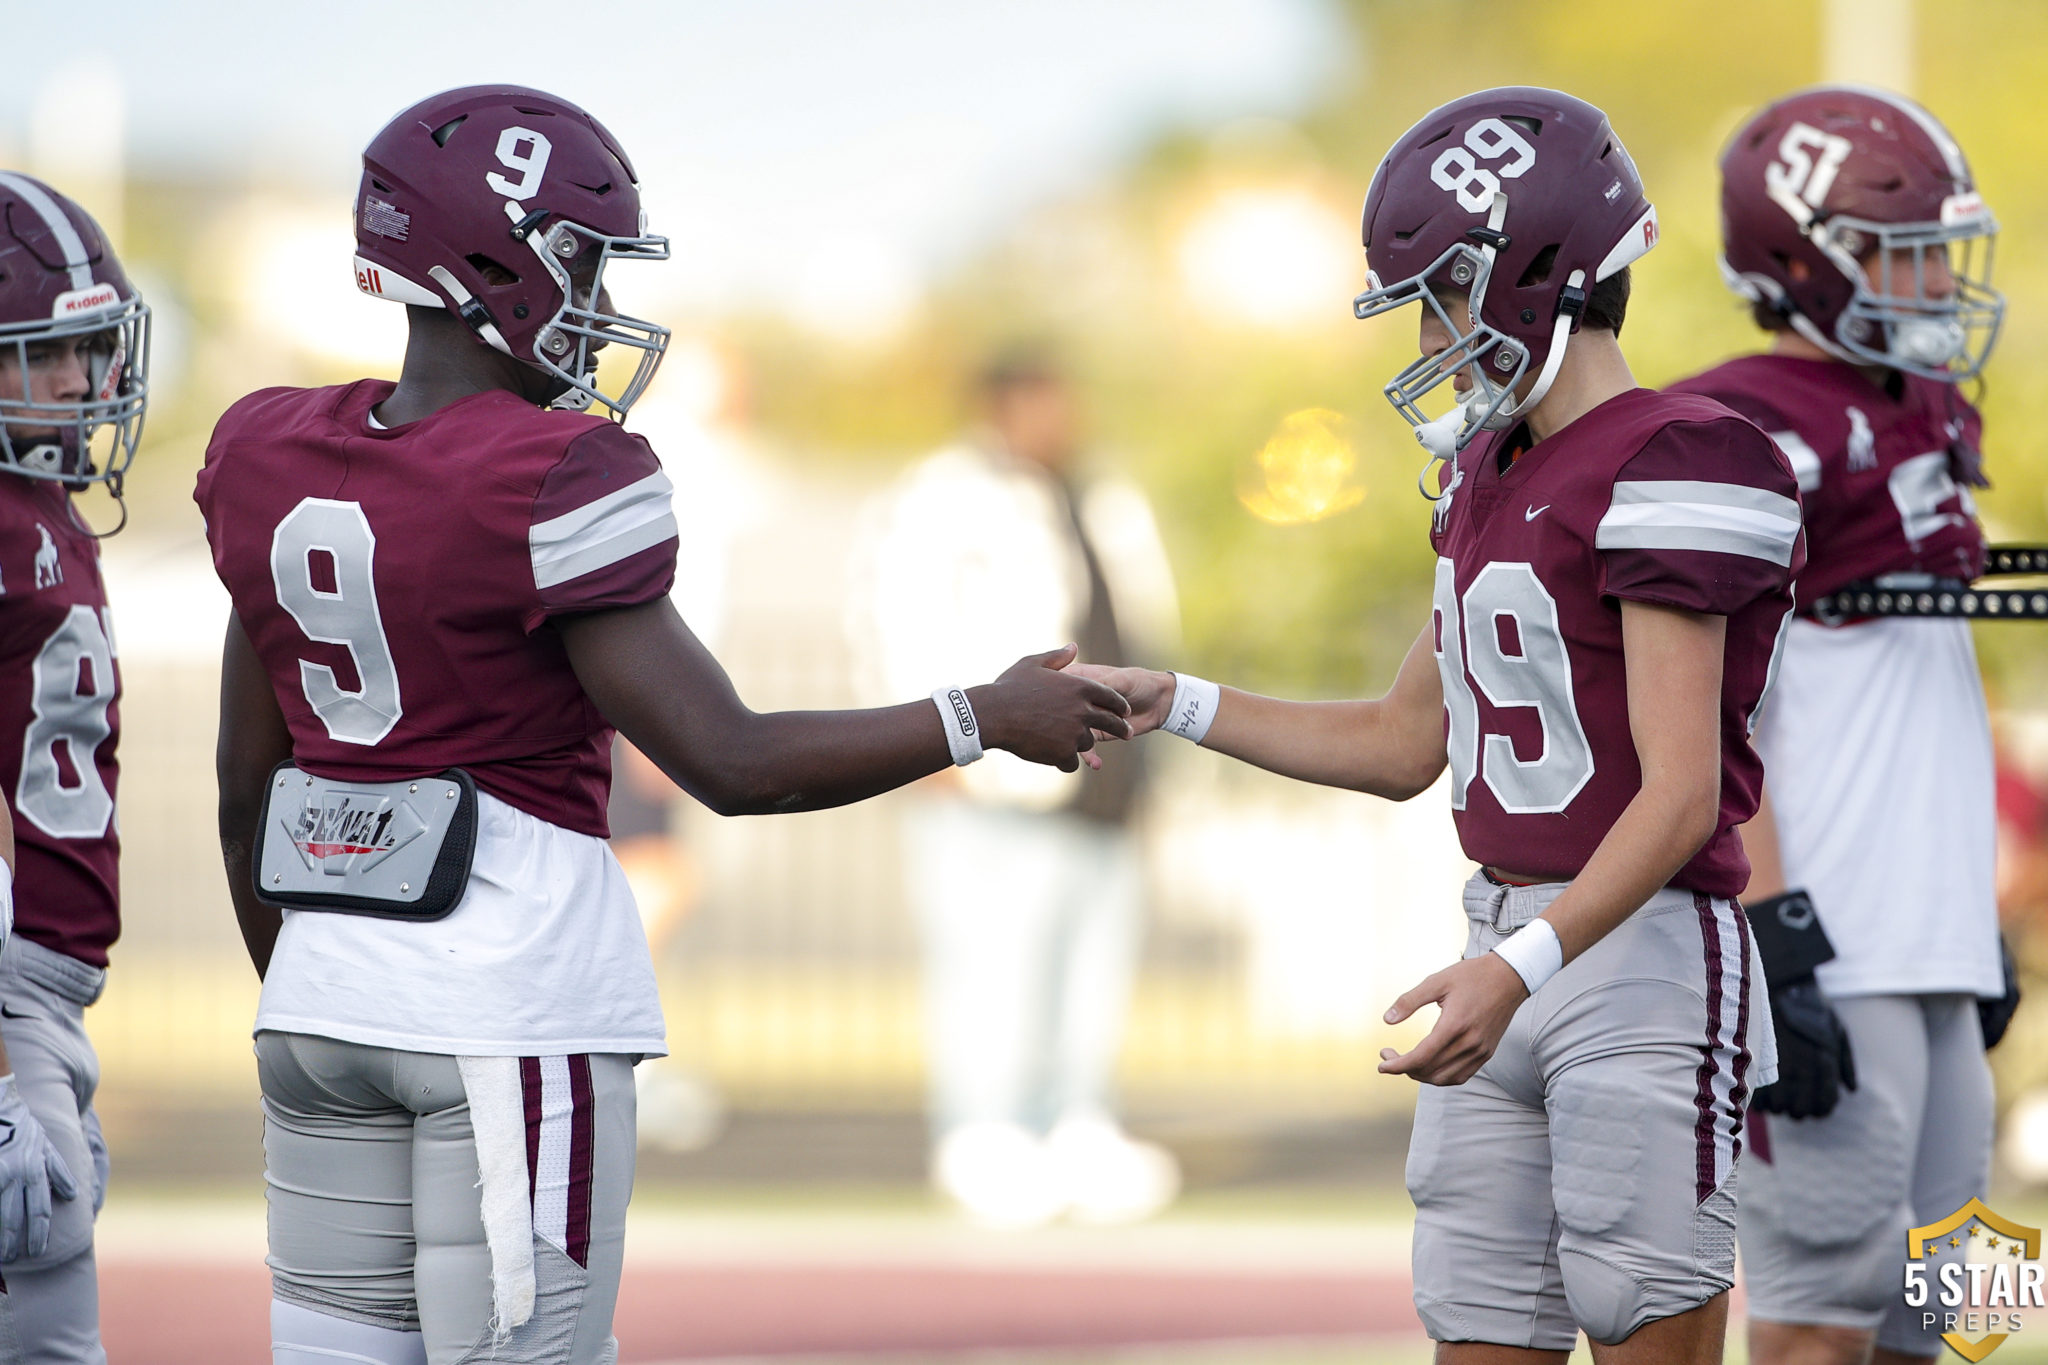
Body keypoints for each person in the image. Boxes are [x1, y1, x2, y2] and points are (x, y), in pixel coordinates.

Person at [196, 85, 1129, 1365]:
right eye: (581, 260)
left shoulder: (266, 448)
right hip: (505, 1009)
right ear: (495, 266)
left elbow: (242, 785)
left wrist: (323, 979)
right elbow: (731, 762)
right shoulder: (552, 469)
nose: (597, 297)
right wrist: (983, 715)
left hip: (318, 1009)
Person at [1078, 87, 1798, 1361]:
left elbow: (1680, 794)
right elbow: (1400, 742)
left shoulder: (1680, 455)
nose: (1426, 335)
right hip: (1499, 938)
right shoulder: (1484, 471)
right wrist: (1172, 702)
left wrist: (1519, 969)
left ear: (1528, 277)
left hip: (1634, 957)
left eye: (1439, 296)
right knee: (1472, 1334)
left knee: (1641, 1327)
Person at [1668, 85, 2010, 1365]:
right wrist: (1768, 926)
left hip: (1933, 939)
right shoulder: (1739, 429)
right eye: (1901, 251)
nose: (1934, 280)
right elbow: (1706, 701)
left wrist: (1971, 912)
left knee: (1960, 1316)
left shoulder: (1923, 405)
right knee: (1820, 1317)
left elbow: (1918, 677)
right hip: (1830, 943)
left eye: (1939, 249)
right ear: (1801, 259)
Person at [863, 350, 1181, 1227]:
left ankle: (1076, 1124)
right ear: (1000, 406)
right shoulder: (944, 494)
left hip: (1105, 778)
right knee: (990, 965)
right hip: (993, 779)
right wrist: (930, 751)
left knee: (1092, 966)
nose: (1059, 420)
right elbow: (897, 617)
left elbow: (1142, 620)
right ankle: (985, 1132)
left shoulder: (1100, 493)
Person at [0, 171, 150, 1365]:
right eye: (42, 352)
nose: (79, 383)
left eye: (89, 348)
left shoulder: (35, 499)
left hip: (40, 993)